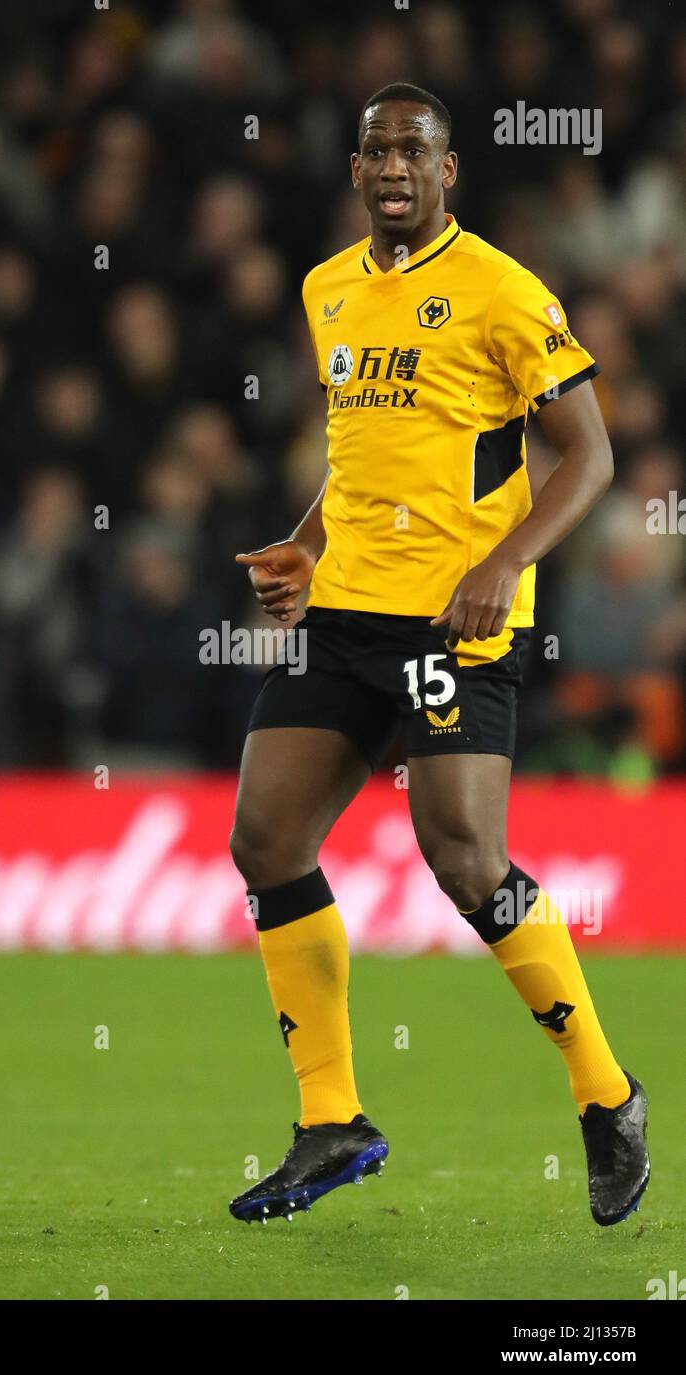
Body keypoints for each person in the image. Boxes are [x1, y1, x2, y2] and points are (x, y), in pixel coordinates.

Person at [228, 84, 649, 1228]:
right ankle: (330, 1122)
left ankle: (604, 1094)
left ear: (449, 168)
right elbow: (365, 448)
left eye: (412, 148)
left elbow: (589, 457)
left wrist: (502, 564)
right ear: (356, 171)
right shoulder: (327, 290)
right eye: (373, 151)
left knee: (462, 857)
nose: (392, 166)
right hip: (344, 612)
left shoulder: (503, 293)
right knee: (263, 840)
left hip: (452, 620)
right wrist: (306, 543)